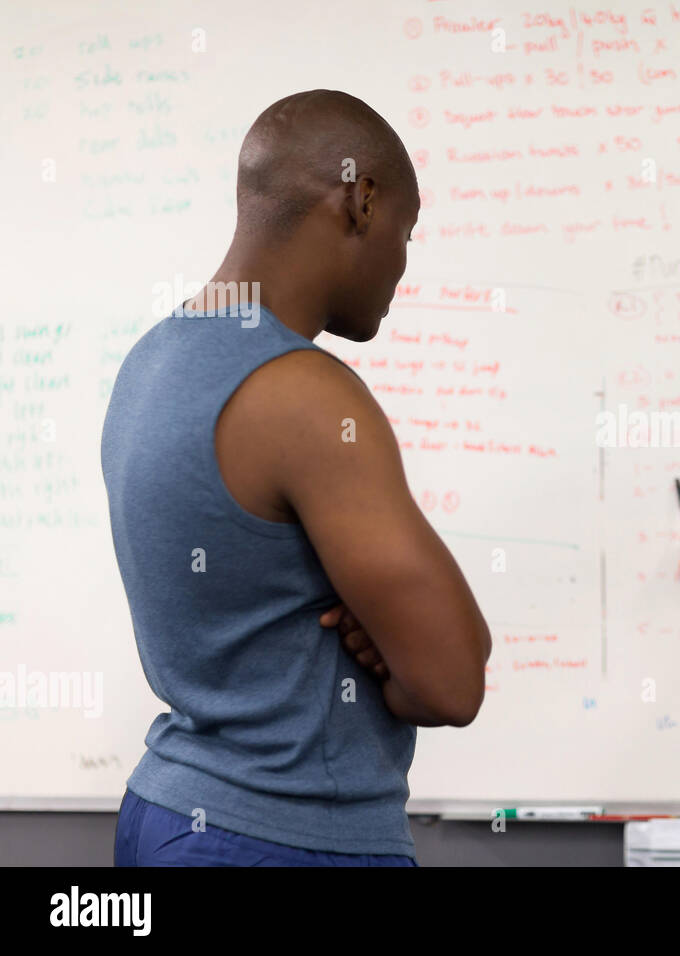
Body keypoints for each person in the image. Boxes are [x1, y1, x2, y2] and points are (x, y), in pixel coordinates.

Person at [101, 90, 491, 866]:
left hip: (164, 812)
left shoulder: (150, 361)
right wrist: (396, 657)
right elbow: (453, 680)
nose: (404, 267)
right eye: (407, 234)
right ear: (360, 199)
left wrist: (385, 630)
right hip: (282, 837)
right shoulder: (308, 393)